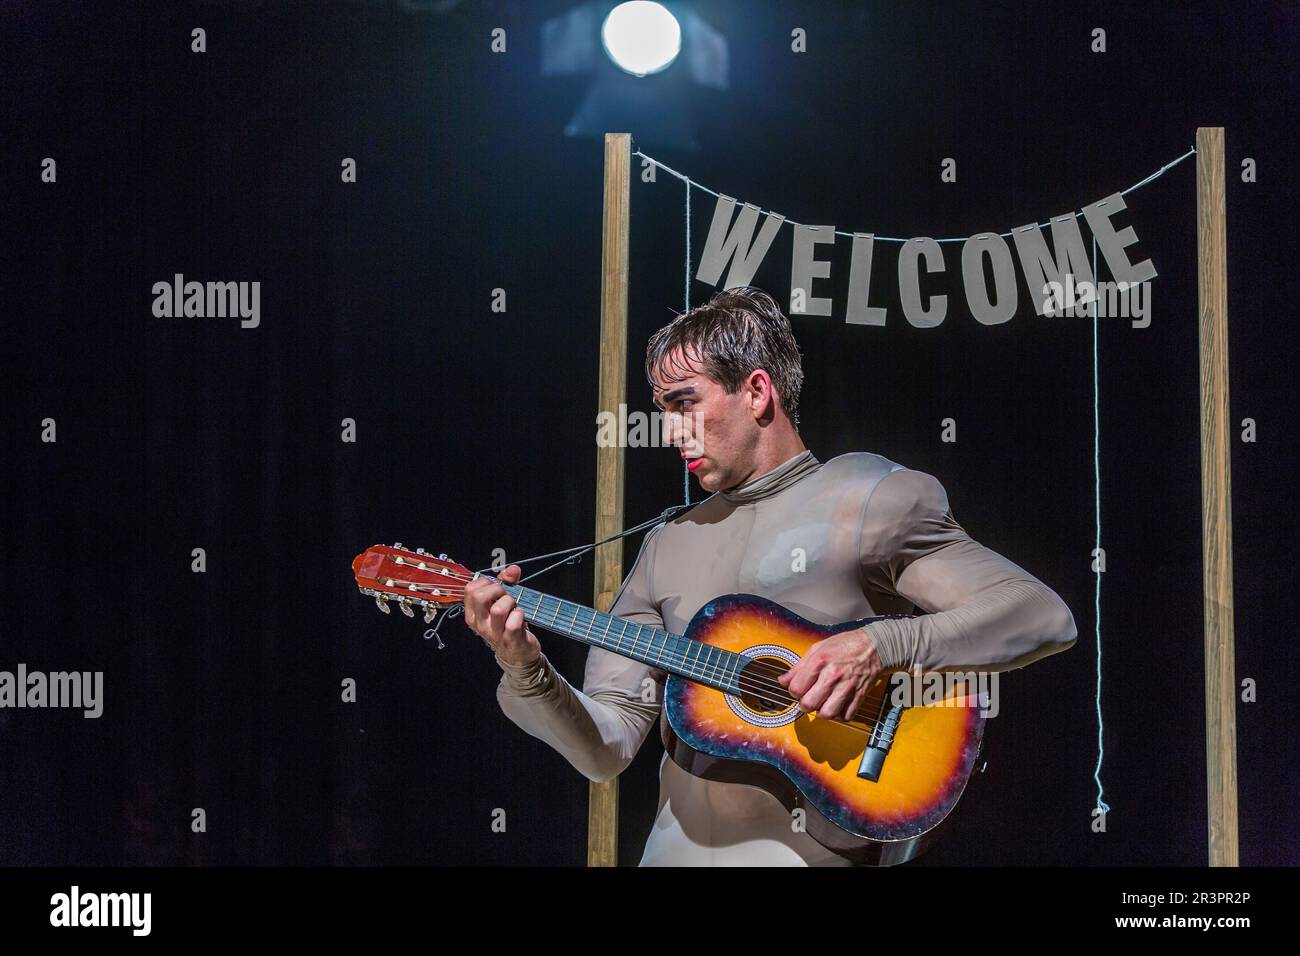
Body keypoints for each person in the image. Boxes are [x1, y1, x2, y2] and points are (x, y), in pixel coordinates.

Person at [462, 285, 1077, 866]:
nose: (669, 432)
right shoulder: (666, 544)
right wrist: (524, 669)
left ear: (756, 392)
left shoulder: (865, 497)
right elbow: (606, 748)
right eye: (662, 410)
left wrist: (881, 646)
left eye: (685, 403)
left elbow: (1040, 615)